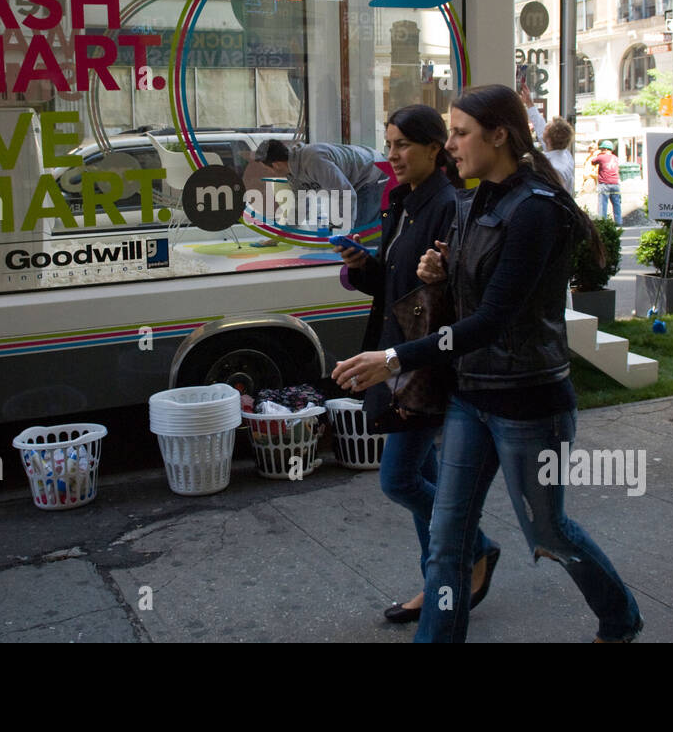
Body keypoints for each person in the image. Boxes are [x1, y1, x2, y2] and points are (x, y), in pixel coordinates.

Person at [331, 84, 643, 643]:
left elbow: (493, 321)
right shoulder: (474, 200)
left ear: (499, 135)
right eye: (449, 133)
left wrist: (395, 358)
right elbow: (469, 294)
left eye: (459, 133)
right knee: (448, 543)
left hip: (529, 402)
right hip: (470, 399)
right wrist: (439, 272)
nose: (450, 145)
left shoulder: (537, 212)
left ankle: (620, 618)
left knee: (549, 533)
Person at [335, 105, 499, 625]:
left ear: (434, 149)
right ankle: (440, 582)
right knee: (420, 476)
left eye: (403, 145)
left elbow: (456, 295)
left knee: (399, 480)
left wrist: (440, 275)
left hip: (424, 365)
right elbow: (397, 286)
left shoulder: (448, 206)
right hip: (399, 357)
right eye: (388, 146)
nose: (392, 157)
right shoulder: (404, 204)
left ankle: (475, 548)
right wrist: (364, 269)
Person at [254, 139, 387, 234]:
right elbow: (301, 206)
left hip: (373, 171)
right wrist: (283, 235)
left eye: (267, 169)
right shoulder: (292, 173)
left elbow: (345, 194)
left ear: (276, 164)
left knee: (362, 235)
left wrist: (343, 232)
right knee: (348, 229)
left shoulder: (313, 160)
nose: (269, 172)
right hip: (355, 180)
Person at [518, 78, 574, 191]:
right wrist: (529, 102)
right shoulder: (566, 155)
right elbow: (539, 124)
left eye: (546, 129)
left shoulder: (554, 168)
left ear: (548, 140)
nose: (542, 130)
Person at [589, 140, 622, 226]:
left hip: (604, 184)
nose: (601, 151)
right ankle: (618, 222)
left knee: (602, 205)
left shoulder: (601, 157)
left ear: (606, 149)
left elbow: (592, 162)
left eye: (602, 149)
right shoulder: (615, 158)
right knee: (617, 204)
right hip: (615, 184)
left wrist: (596, 154)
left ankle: (603, 223)